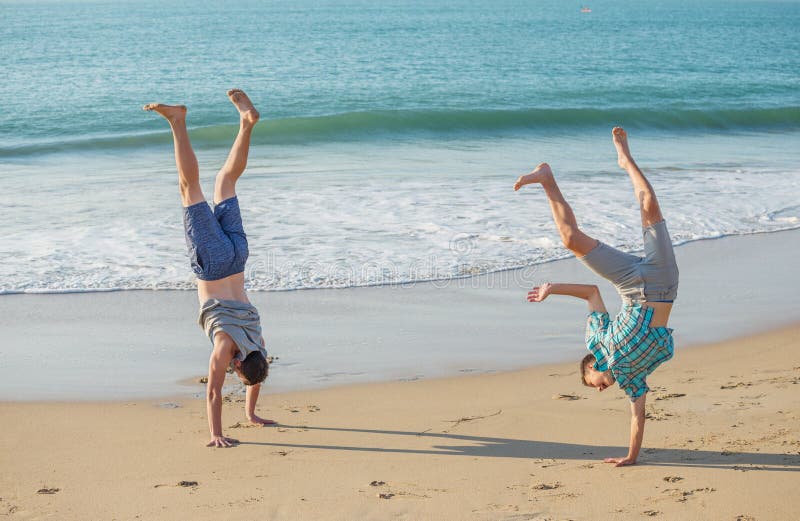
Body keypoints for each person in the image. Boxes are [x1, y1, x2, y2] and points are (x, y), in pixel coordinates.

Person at [514, 127, 679, 466]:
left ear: (593, 365)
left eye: (594, 384)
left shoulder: (598, 339)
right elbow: (638, 416)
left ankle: (616, 161)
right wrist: (631, 457)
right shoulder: (632, 378)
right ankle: (551, 178)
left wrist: (551, 289)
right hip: (664, 279)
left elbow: (591, 293)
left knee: (571, 240)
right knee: (648, 205)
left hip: (631, 285)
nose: (600, 389)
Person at [144, 89, 274, 448]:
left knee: (225, 183)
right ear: (237, 365)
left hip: (237, 257)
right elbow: (214, 393)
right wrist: (216, 434)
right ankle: (178, 121)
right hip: (214, 263)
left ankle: (246, 124)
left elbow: (257, 376)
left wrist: (251, 414)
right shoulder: (226, 346)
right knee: (190, 188)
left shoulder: (258, 342)